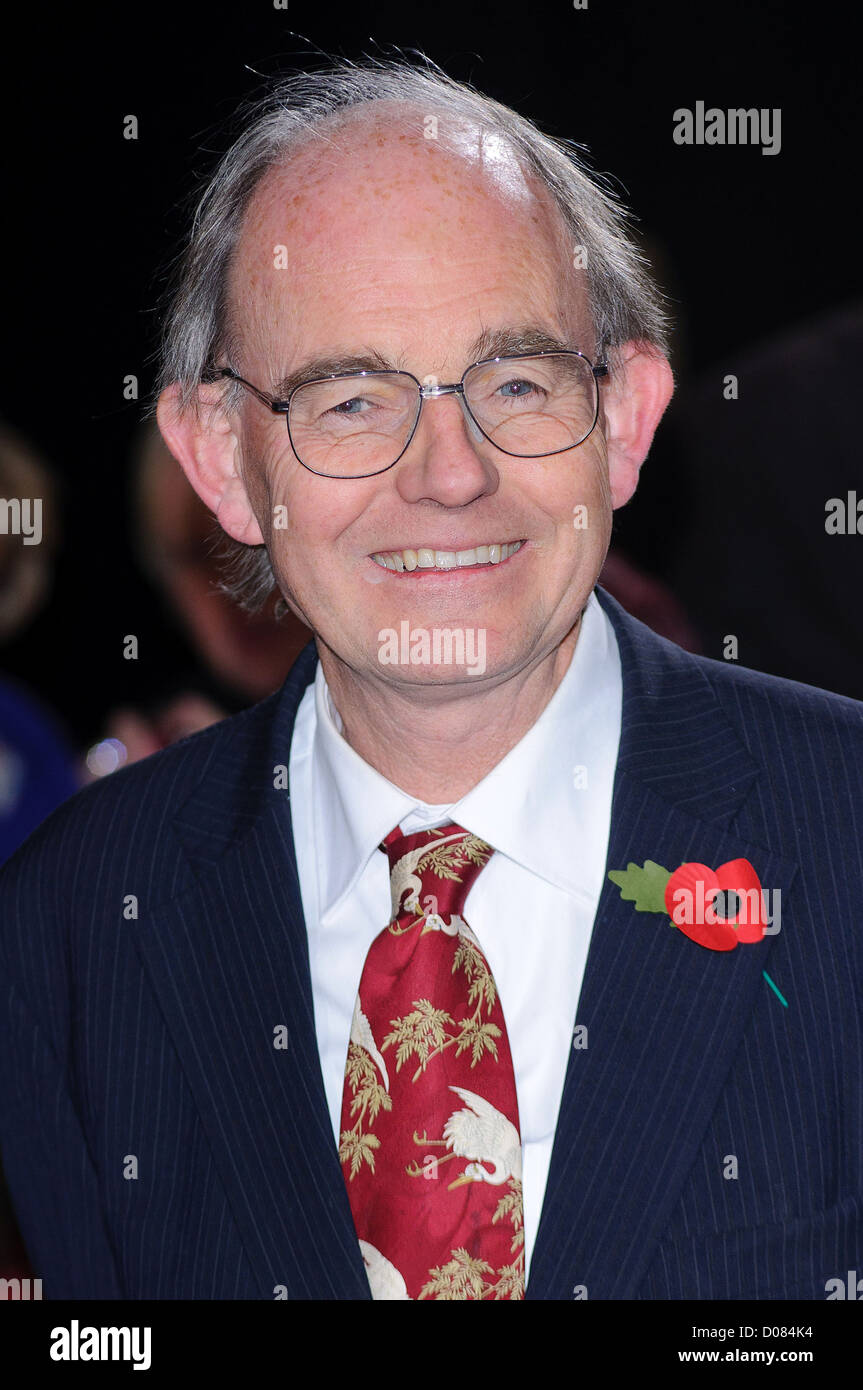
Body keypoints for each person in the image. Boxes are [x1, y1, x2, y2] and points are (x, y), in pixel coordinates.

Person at [0, 58, 861, 1302]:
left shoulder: (839, 836)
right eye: (350, 400)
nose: (448, 473)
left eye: (514, 382)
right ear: (222, 463)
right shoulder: (67, 935)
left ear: (624, 416)